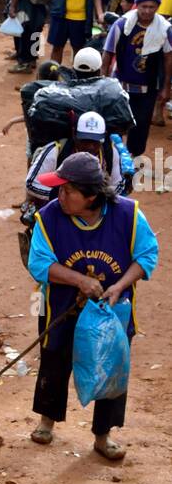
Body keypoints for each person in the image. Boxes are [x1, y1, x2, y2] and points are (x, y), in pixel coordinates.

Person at [28, 152, 158, 461]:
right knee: (55, 359)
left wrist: (120, 286)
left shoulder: (128, 214)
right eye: (59, 188)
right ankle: (46, 420)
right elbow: (38, 263)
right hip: (60, 307)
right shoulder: (48, 217)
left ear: (91, 196)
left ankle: (103, 435)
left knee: (112, 366)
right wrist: (78, 281)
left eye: (67, 190)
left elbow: (147, 255)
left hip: (113, 310)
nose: (59, 195)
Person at [101, 0, 172, 156]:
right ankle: (112, 159)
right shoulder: (121, 25)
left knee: (141, 125)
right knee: (115, 123)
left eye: (152, 7)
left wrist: (165, 87)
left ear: (157, 7)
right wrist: (103, 82)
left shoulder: (164, 29)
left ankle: (134, 160)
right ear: (137, 6)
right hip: (120, 83)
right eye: (144, 6)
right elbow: (108, 52)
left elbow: (169, 58)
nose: (147, 11)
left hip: (148, 85)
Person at [25, 111, 126, 203]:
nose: (90, 146)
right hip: (58, 207)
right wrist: (65, 197)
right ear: (74, 134)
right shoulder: (56, 150)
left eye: (95, 141)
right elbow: (31, 183)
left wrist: (96, 199)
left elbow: (118, 184)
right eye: (85, 140)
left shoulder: (110, 153)